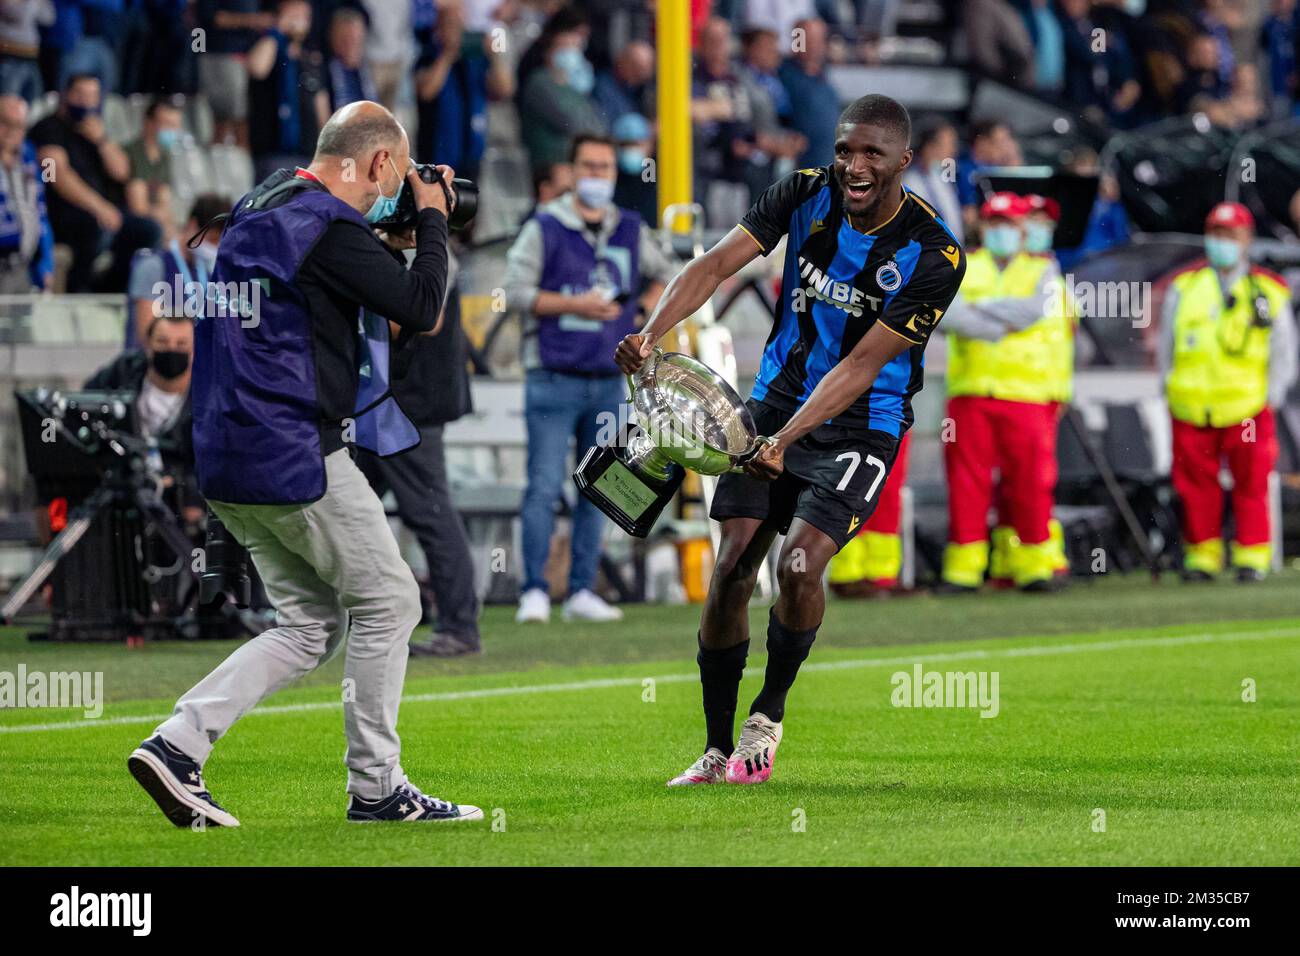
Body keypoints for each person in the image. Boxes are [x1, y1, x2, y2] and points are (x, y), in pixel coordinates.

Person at [128, 101, 483, 827]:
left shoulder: (262, 199)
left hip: (224, 449)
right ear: (382, 163)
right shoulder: (330, 227)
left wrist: (398, 227)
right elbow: (419, 307)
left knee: (310, 624)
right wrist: (435, 217)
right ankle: (377, 787)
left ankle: (178, 744)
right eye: (400, 173)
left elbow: (328, 276)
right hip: (292, 447)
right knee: (392, 602)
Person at [616, 95, 966, 786]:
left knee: (800, 567)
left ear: (902, 160)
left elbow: (863, 364)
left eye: (870, 154)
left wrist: (787, 438)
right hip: (773, 400)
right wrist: (650, 333)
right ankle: (717, 751)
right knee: (731, 573)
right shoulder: (802, 194)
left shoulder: (934, 253)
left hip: (864, 420)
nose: (852, 165)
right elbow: (715, 266)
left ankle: (766, 718)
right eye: (844, 150)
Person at [504, 132, 672, 624]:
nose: (596, 175)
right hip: (553, 375)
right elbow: (514, 292)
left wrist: (642, 309)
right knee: (541, 485)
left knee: (600, 486)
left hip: (608, 377)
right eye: (588, 166)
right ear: (573, 171)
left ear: (612, 174)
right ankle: (533, 589)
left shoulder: (631, 229)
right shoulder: (545, 227)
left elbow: (671, 273)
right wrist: (574, 304)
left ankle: (581, 589)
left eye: (604, 167)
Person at [939, 192, 1074, 593]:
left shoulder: (1042, 270)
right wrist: (1003, 319)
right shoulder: (962, 265)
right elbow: (949, 316)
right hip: (972, 390)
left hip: (1027, 394)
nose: (1000, 232)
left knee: (1030, 483)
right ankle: (964, 570)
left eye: (1008, 225)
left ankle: (1032, 566)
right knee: (967, 483)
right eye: (993, 224)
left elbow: (1035, 312)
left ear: (1020, 230)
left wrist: (981, 311)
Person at [1160, 202, 1298, 582]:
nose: (1221, 242)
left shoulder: (1268, 291)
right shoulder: (1184, 287)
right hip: (1191, 404)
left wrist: (1272, 396)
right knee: (1194, 484)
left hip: (1247, 405)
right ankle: (1203, 555)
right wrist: (1168, 389)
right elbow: (1166, 347)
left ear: (1247, 239)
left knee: (1251, 481)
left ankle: (1251, 555)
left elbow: (1283, 351)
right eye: (1216, 234)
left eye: (1230, 235)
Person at [358, 251, 482, 659]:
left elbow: (425, 319)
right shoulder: (410, 244)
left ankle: (460, 627)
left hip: (409, 405)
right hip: (378, 402)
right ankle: (313, 616)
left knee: (429, 512)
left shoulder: (431, 250)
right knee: (343, 507)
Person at [28, 73, 133, 292]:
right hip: (59, 211)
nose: (85, 102)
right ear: (65, 95)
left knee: (145, 229)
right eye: (80, 94)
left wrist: (102, 140)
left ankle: (114, 291)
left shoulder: (95, 132)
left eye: (92, 96)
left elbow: (122, 172)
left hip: (100, 210)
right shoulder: (47, 128)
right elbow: (56, 175)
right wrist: (99, 207)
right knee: (92, 226)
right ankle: (79, 293)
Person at [124, 193, 228, 350]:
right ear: (193, 226)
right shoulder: (153, 267)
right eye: (212, 240)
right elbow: (147, 336)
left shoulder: (207, 272)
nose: (215, 247)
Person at [246, 0, 330, 181]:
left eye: (304, 17)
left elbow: (322, 111)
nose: (299, 21)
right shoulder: (269, 47)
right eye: (293, 15)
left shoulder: (311, 60)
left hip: (308, 156)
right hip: (271, 154)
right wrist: (278, 30)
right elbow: (257, 68)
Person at [518, 23, 605, 171]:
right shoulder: (539, 81)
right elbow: (572, 122)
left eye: (576, 47)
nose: (572, 52)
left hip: (575, 164)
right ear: (548, 52)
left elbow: (600, 126)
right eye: (565, 47)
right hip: (548, 166)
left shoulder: (576, 85)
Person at [196, 1, 274, 147]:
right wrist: (253, 20)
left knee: (242, 118)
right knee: (226, 120)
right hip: (221, 57)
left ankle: (240, 164)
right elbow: (212, 17)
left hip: (249, 58)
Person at [0, 93, 53, 292]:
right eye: (5, 122)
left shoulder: (28, 158)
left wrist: (46, 263)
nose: (11, 132)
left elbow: (40, 213)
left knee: (21, 323)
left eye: (19, 126)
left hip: (23, 268)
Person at [123, 96, 183, 231]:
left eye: (175, 125)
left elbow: (165, 201)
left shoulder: (164, 156)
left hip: (154, 222)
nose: (173, 131)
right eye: (167, 124)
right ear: (149, 123)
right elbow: (138, 208)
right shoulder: (133, 152)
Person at [325, 7, 376, 110]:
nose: (350, 45)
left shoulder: (370, 70)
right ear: (332, 37)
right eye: (344, 39)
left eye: (355, 38)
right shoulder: (323, 72)